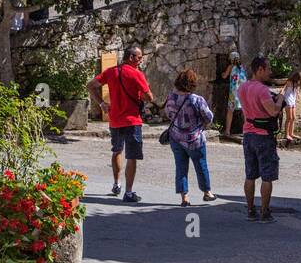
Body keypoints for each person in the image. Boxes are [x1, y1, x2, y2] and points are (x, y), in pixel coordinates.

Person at [87, 44, 155, 203]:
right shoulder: (136, 74)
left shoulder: (111, 72)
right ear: (131, 57)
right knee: (132, 157)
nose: (140, 60)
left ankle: (116, 184)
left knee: (117, 151)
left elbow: (91, 86)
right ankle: (129, 192)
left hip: (115, 119)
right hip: (132, 120)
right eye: (139, 57)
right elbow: (149, 97)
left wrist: (101, 103)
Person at [239, 55, 283, 222]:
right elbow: (273, 112)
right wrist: (280, 100)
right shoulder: (262, 90)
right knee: (267, 176)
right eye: (268, 68)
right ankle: (265, 212)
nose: (270, 72)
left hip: (248, 134)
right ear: (259, 70)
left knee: (250, 175)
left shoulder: (242, 88)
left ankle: (250, 210)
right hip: (263, 136)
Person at [164, 69, 217, 206]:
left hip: (175, 137)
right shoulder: (197, 100)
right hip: (195, 138)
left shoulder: (171, 98)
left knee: (180, 167)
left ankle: (184, 197)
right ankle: (207, 192)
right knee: (201, 165)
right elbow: (209, 117)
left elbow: (168, 114)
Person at [221, 52, 248, 138]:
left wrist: (222, 74)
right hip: (243, 92)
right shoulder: (242, 67)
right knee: (244, 112)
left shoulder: (231, 66)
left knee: (230, 111)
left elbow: (224, 76)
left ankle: (227, 131)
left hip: (234, 92)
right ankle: (246, 131)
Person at [281, 69, 301, 144]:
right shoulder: (289, 82)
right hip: (288, 100)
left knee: (293, 117)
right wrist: (280, 96)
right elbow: (283, 89)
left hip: (292, 100)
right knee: (289, 118)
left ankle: (291, 133)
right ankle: (286, 134)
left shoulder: (296, 84)